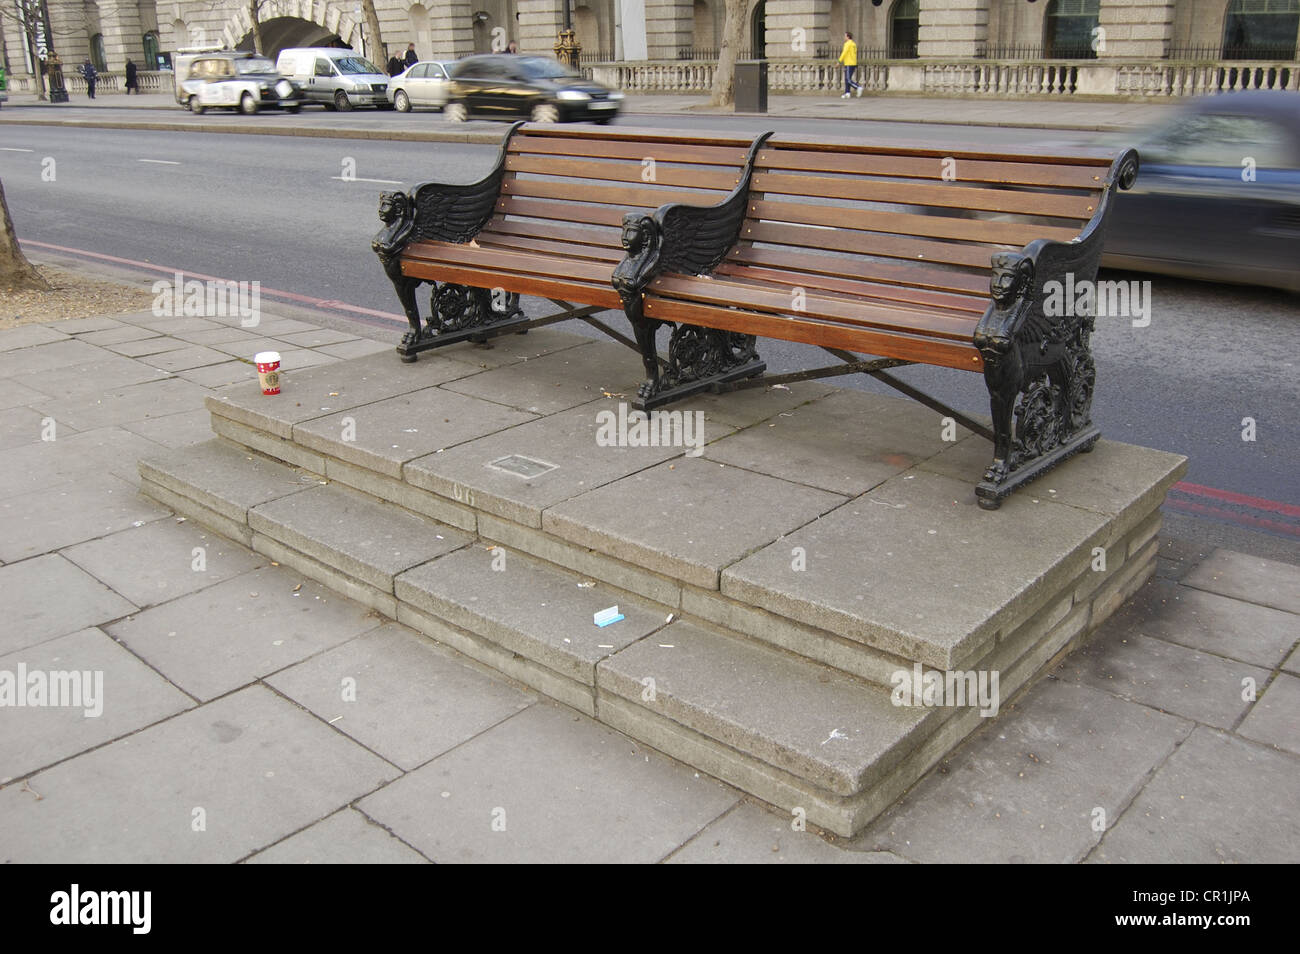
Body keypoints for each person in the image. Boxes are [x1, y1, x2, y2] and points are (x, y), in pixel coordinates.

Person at [838, 31, 862, 98]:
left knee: (848, 79)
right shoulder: (853, 44)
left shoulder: (847, 44)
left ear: (848, 37)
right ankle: (847, 92)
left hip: (849, 63)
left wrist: (839, 61)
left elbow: (844, 53)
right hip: (853, 62)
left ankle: (858, 87)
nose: (844, 37)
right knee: (847, 79)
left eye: (845, 36)